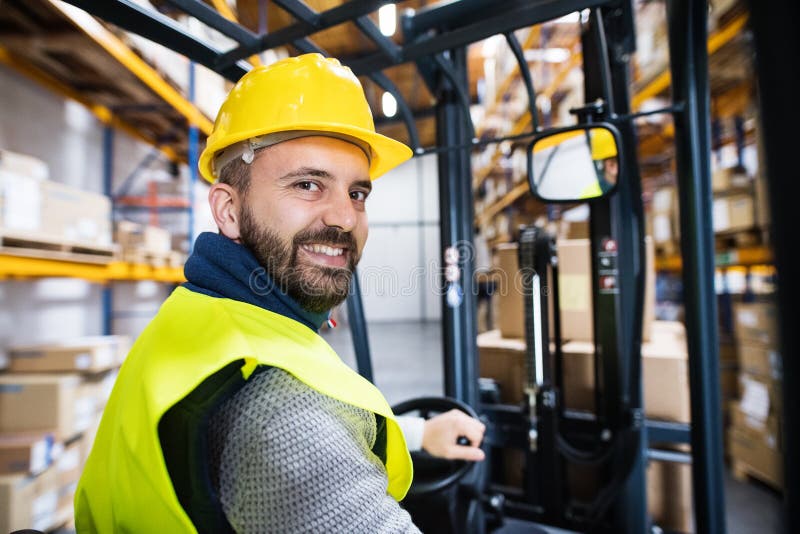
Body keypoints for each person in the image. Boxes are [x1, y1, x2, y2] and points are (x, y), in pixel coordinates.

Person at [74, 53, 485, 533]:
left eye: (357, 193)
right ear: (228, 210)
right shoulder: (278, 412)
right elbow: (299, 436)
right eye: (308, 185)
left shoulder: (203, 314)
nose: (345, 218)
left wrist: (416, 433)